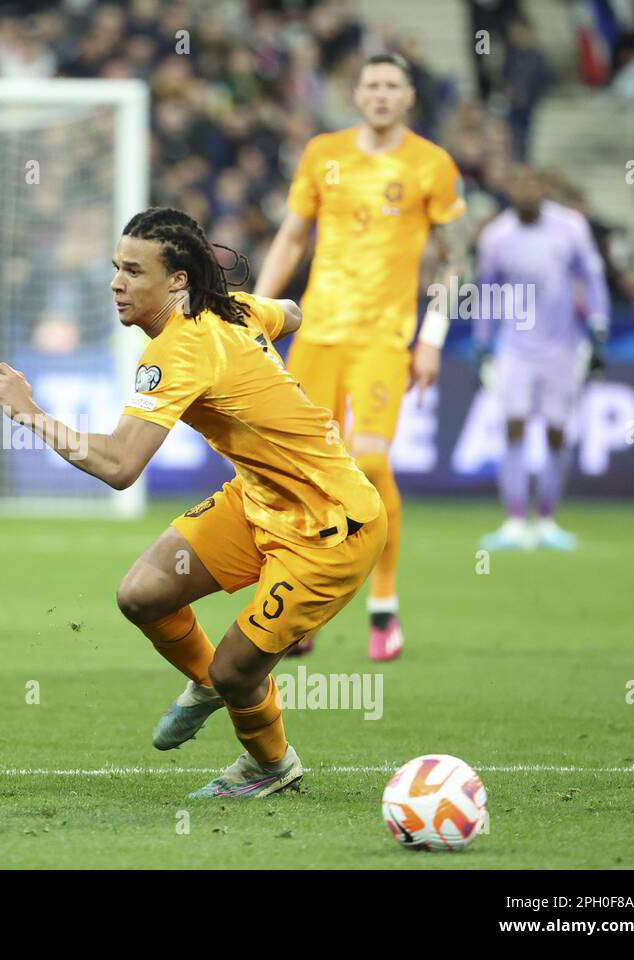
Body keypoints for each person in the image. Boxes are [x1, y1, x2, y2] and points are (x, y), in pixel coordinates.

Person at [0, 208, 385, 799]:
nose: (117, 283)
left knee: (236, 669)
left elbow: (119, 466)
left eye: (134, 271)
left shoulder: (178, 351)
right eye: (116, 267)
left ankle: (271, 764)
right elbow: (290, 312)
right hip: (258, 500)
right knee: (143, 594)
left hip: (330, 527)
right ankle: (211, 685)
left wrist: (29, 413)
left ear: (178, 282)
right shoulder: (234, 311)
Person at [254, 52, 469, 661]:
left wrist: (432, 336)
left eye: (392, 85)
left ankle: (383, 604)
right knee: (306, 474)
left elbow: (457, 258)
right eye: (370, 83)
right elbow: (293, 235)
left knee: (369, 464)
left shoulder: (433, 164)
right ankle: (309, 607)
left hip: (383, 338)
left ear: (408, 98)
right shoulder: (324, 153)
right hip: (317, 334)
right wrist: (262, 311)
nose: (380, 93)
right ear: (355, 94)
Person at [475, 165, 610, 550]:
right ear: (510, 191)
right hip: (515, 349)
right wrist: (483, 343)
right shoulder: (497, 235)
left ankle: (547, 519)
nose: (525, 193)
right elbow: (487, 291)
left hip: (562, 348)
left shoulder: (570, 227)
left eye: (531, 186)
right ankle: (516, 520)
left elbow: (592, 276)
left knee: (556, 431)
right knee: (513, 426)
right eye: (517, 186)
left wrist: (598, 326)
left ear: (543, 190)